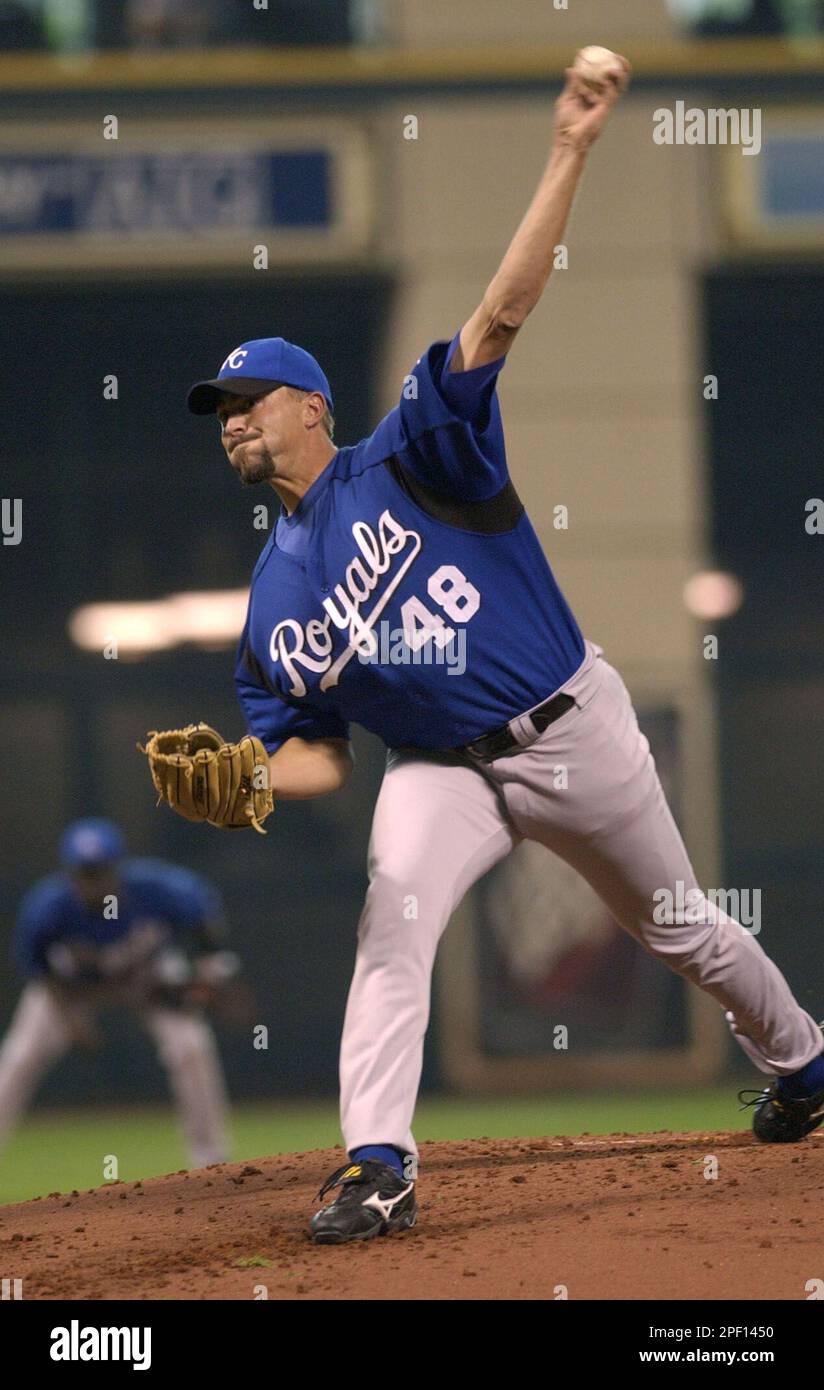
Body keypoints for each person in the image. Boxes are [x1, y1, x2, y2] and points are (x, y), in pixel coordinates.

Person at [154, 52, 824, 1244]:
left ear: (311, 406)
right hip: (436, 770)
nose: (233, 420)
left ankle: (803, 1060)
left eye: (247, 399)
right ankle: (377, 1164)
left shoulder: (416, 452)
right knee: (391, 922)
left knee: (677, 926)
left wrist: (568, 145)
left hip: (570, 724)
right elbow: (315, 753)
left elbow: (501, 310)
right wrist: (254, 775)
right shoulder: (268, 604)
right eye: (221, 409)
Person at [0, 818, 237, 1172]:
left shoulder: (158, 889)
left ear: (118, 869)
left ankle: (212, 1162)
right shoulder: (48, 906)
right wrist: (70, 1019)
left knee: (190, 1047)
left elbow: (205, 923)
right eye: (84, 873)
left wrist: (209, 980)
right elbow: (38, 969)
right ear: (70, 874)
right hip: (71, 989)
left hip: (147, 978)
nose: (92, 882)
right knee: (18, 1060)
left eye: (100, 871)